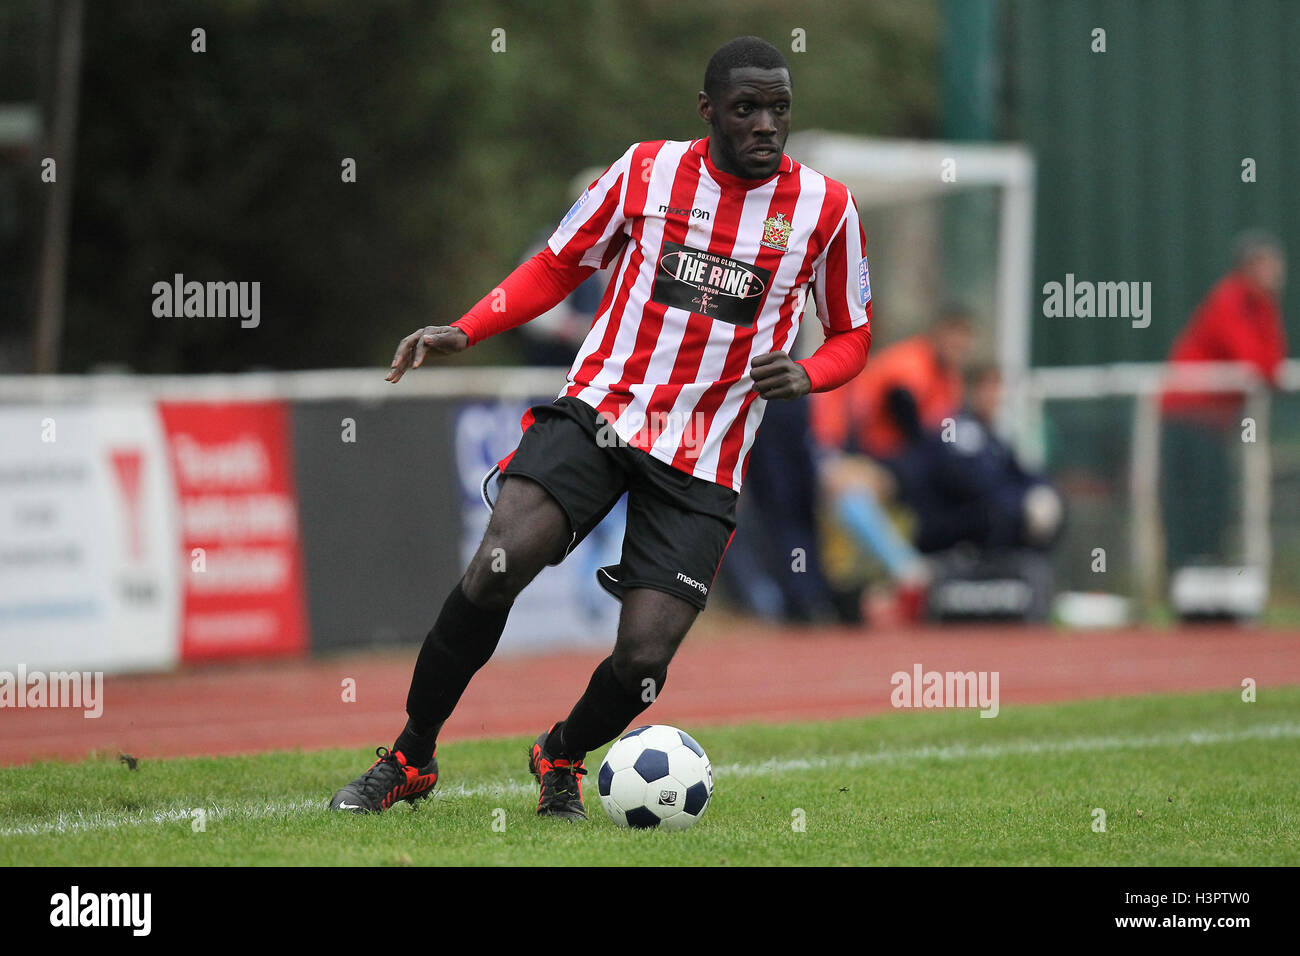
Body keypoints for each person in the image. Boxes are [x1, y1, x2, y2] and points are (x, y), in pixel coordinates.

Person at [329, 37, 874, 818]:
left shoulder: (826, 209)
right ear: (708, 110)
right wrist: (468, 327)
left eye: (778, 109)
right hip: (602, 413)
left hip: (703, 459)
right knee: (497, 563)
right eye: (746, 108)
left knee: (646, 658)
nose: (765, 124)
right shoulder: (647, 171)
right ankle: (411, 754)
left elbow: (854, 332)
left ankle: (561, 755)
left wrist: (810, 372)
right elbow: (559, 262)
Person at [1159, 231, 1288, 572]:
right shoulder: (1229, 299)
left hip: (1214, 424)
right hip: (1187, 418)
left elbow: (1272, 365)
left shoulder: (1262, 307)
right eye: (1266, 263)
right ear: (1248, 267)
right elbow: (1251, 360)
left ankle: (1208, 584)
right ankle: (1184, 585)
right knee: (1189, 509)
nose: (1275, 271)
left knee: (1215, 508)